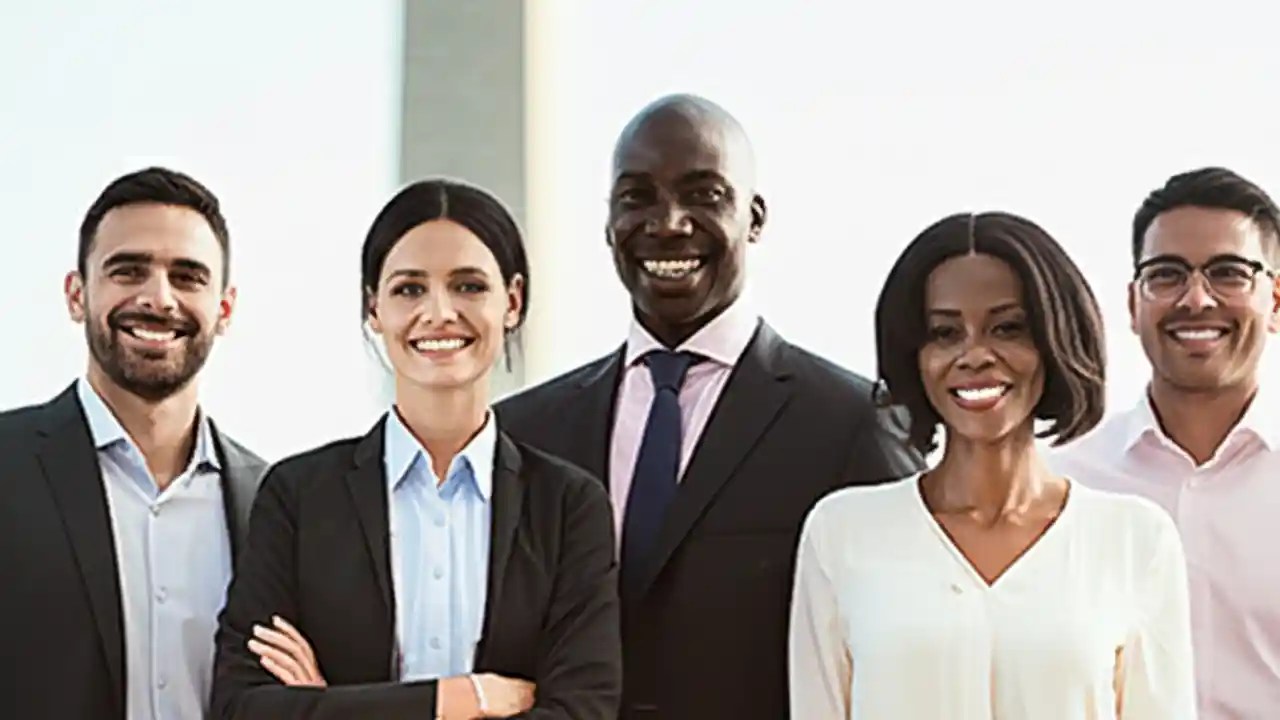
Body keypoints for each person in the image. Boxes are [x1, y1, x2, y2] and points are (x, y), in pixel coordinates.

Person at [494, 93, 922, 719]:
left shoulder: (854, 423)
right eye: (637, 197)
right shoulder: (522, 434)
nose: (668, 222)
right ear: (608, 222)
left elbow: (904, 652)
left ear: (755, 218)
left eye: (703, 195)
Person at [210, 178, 622, 719]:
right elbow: (243, 708)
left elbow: (584, 711)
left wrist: (331, 707)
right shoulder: (297, 498)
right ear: (373, 308)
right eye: (409, 289)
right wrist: (460, 698)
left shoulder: (569, 507)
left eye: (468, 286)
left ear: (513, 301)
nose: (439, 312)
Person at [789, 212, 1197, 719]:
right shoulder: (842, 533)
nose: (974, 355)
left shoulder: (1135, 540)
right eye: (944, 333)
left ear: (1053, 339)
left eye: (1007, 328)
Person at [0, 167, 266, 719]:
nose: (158, 298)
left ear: (224, 310)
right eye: (128, 271)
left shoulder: (274, 504)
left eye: (188, 277)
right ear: (77, 295)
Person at [1050, 167, 1280, 718]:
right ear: (1134, 304)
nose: (1196, 299)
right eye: (1167, 275)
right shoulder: (1061, 489)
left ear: (1275, 300)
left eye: (1229, 273)